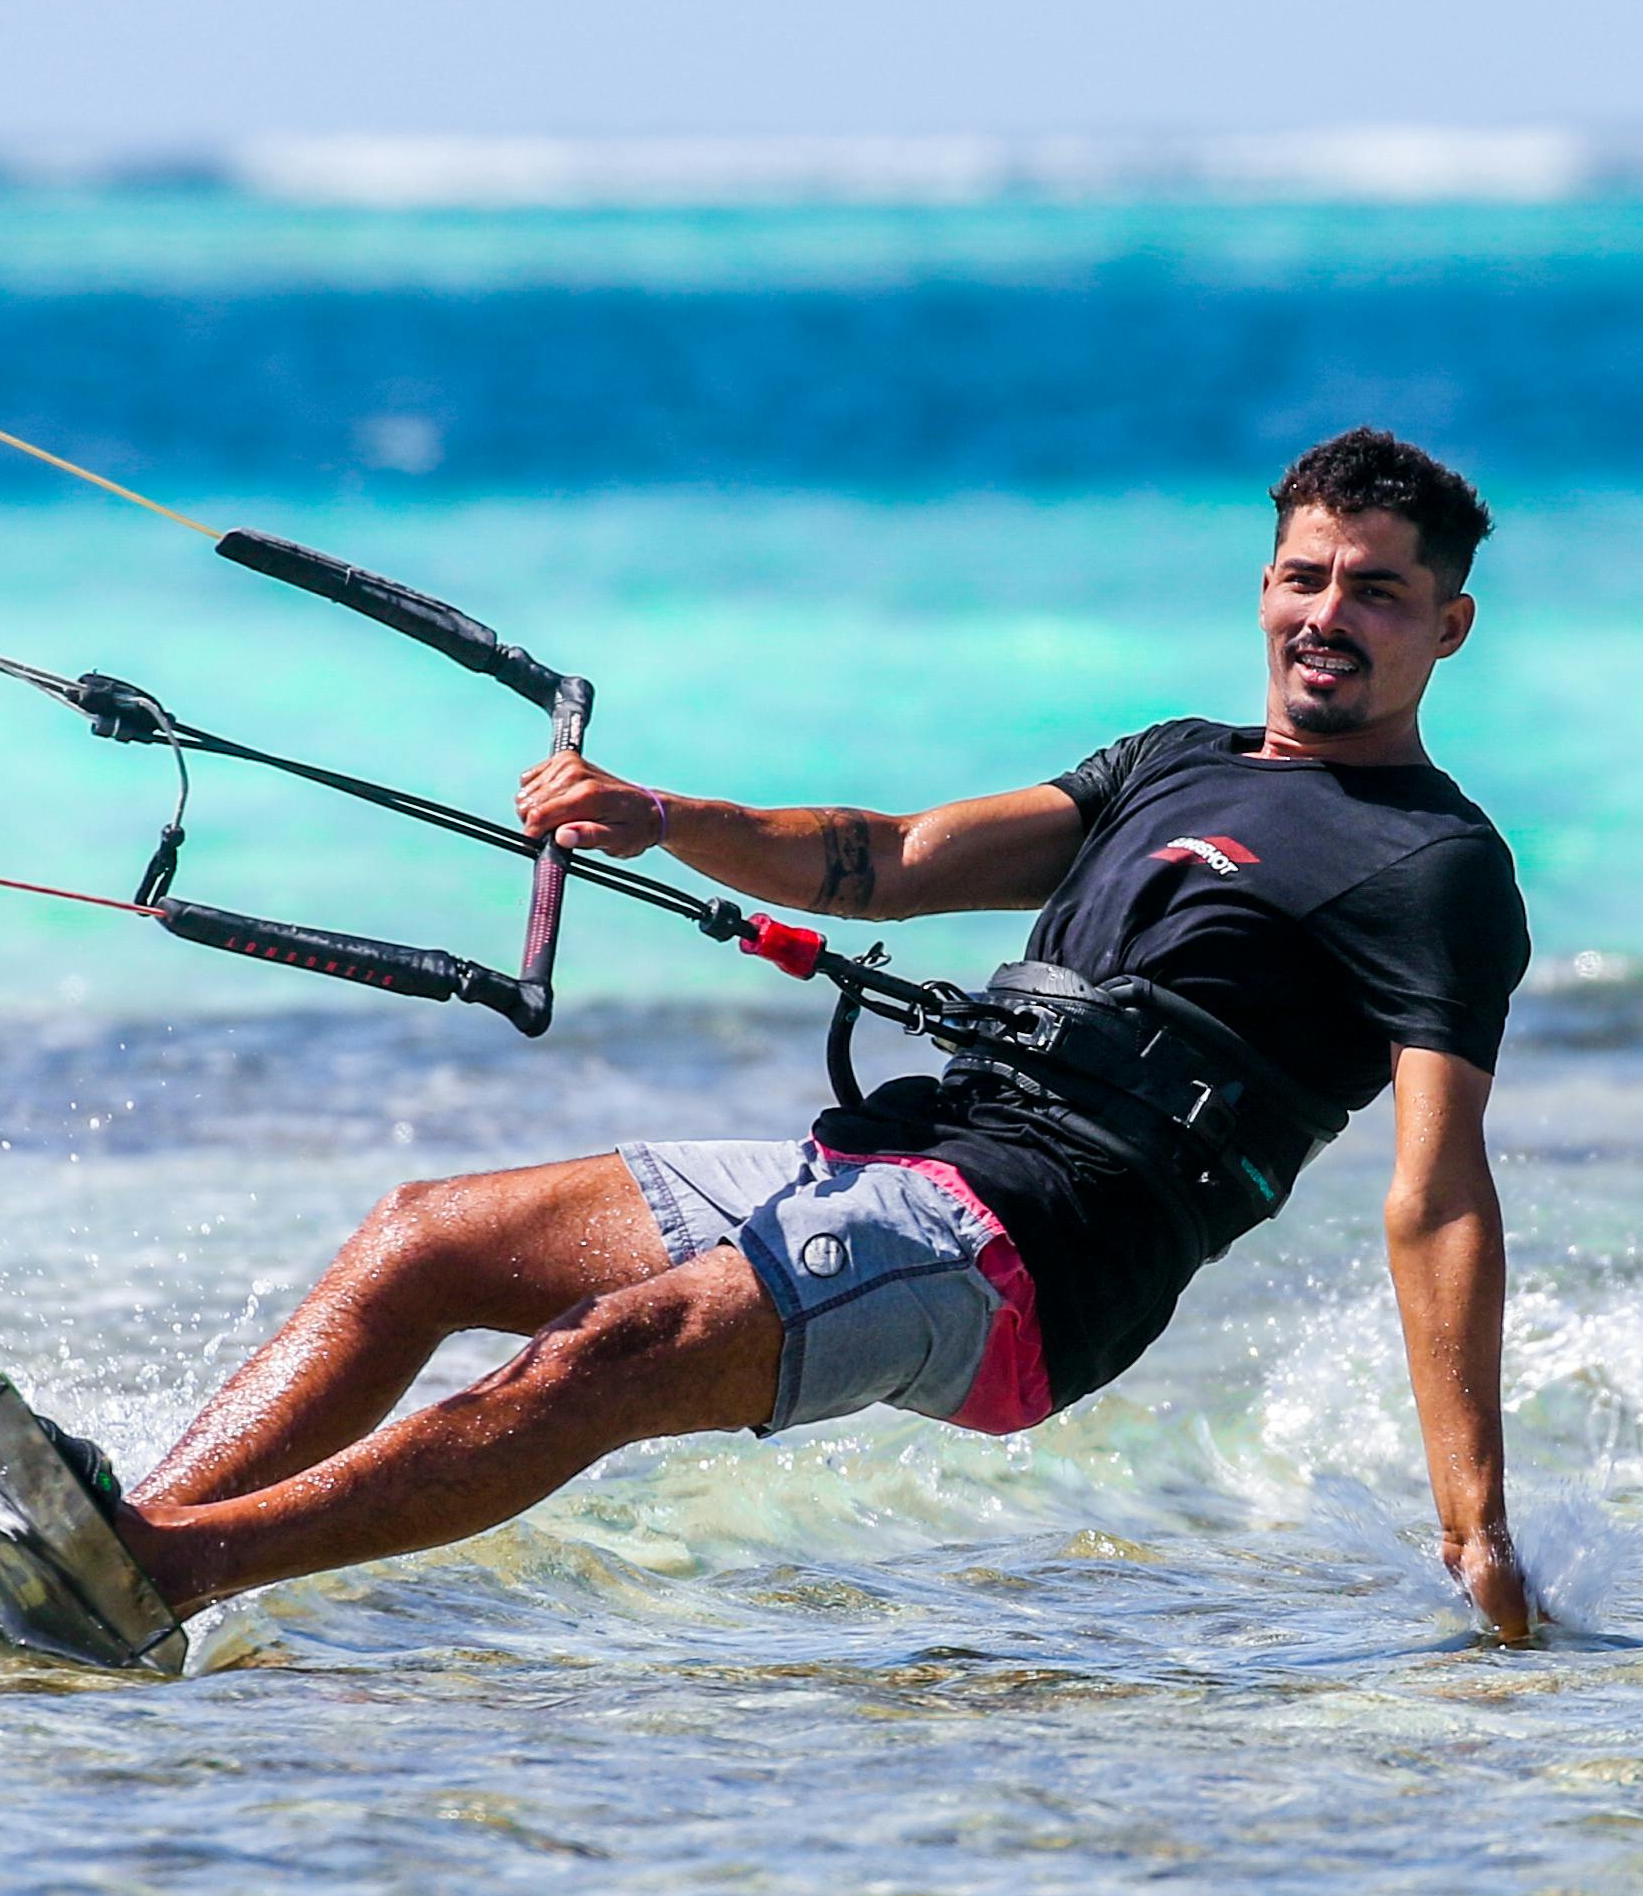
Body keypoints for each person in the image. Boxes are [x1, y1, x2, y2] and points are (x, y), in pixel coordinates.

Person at [98, 425, 1535, 1643]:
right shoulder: (1175, 759)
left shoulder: (1435, 867)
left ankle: (165, 1573)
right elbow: (896, 856)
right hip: (909, 1162)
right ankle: (130, 1547)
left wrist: (1472, 1527)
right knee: (423, 1243)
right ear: (1265, 587)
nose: (1327, 615)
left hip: (1043, 1256)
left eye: (1378, 593)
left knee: (611, 1353)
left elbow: (1441, 1197)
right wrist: (662, 821)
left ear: (1449, 626)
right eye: (1303, 577)